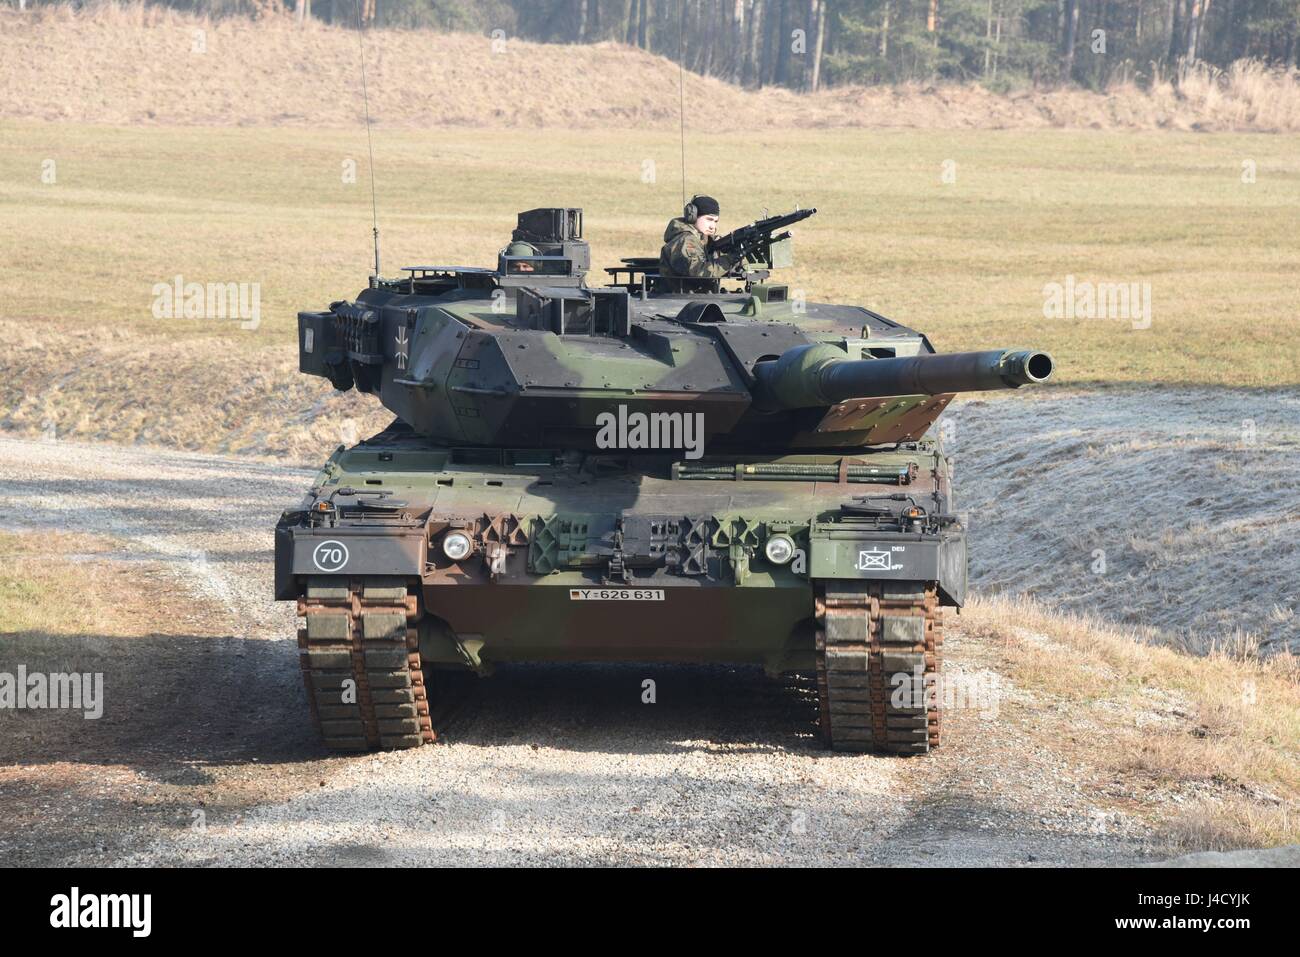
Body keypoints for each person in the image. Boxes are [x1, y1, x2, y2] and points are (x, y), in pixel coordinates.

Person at [658, 195, 738, 280]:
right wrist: (730, 259)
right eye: (709, 219)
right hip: (680, 292)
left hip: (698, 291)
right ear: (693, 217)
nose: (712, 226)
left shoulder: (705, 240)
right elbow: (699, 272)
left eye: (715, 221)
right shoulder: (684, 240)